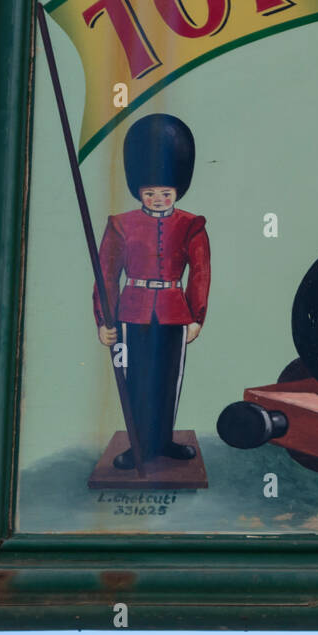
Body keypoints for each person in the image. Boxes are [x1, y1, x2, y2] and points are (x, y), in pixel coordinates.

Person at [95, 114, 209, 469]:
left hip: (175, 312)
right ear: (138, 190)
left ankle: (162, 442)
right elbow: (107, 275)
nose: (158, 198)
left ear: (176, 190)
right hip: (132, 312)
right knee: (137, 381)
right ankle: (138, 444)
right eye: (150, 193)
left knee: (167, 382)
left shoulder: (191, 225)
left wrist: (197, 317)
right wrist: (104, 318)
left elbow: (201, 274)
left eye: (165, 192)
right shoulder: (120, 225)